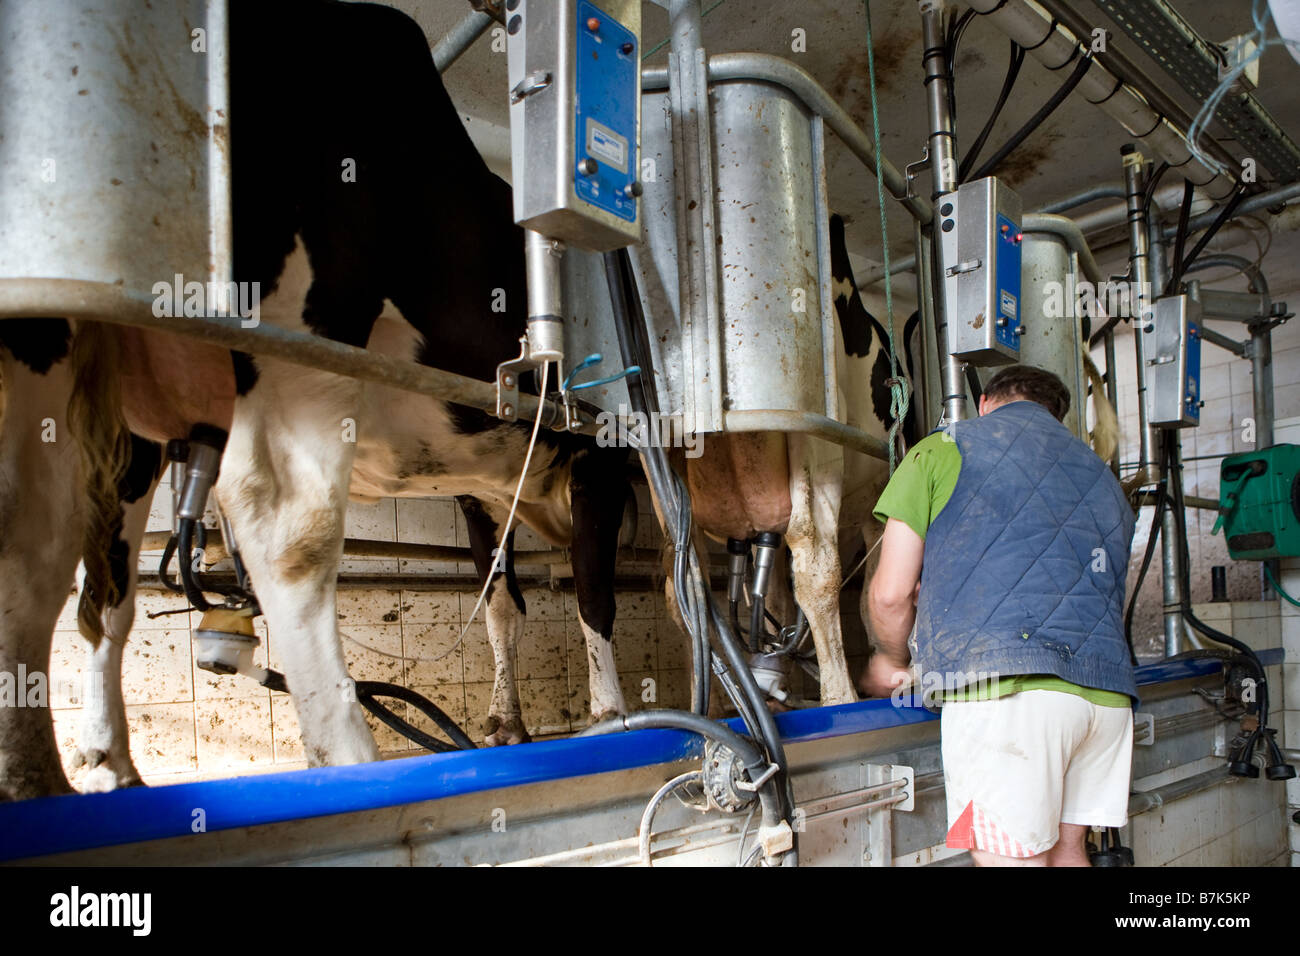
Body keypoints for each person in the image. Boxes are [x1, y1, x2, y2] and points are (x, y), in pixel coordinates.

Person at [861, 365, 1136, 867]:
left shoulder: (945, 448)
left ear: (985, 404)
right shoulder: (1104, 477)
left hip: (1011, 697)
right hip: (1107, 696)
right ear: (1056, 416)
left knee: (1012, 858)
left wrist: (891, 654)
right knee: (1070, 849)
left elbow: (890, 594)